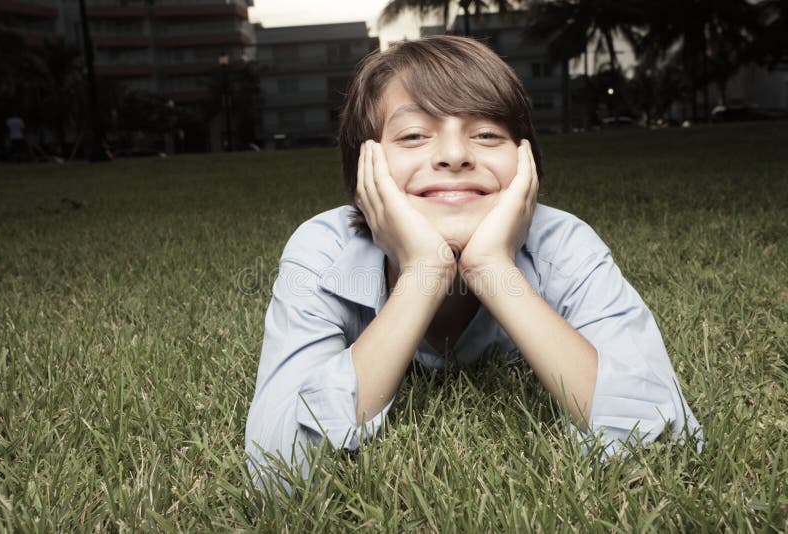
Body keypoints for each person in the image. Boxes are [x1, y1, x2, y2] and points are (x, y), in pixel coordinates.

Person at [245, 36, 701, 487]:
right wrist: (424, 272)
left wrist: (491, 268)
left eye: (486, 134)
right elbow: (276, 471)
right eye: (413, 135)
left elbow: (666, 447)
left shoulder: (563, 245)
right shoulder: (324, 250)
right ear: (364, 165)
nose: (455, 155)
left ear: (525, 162)